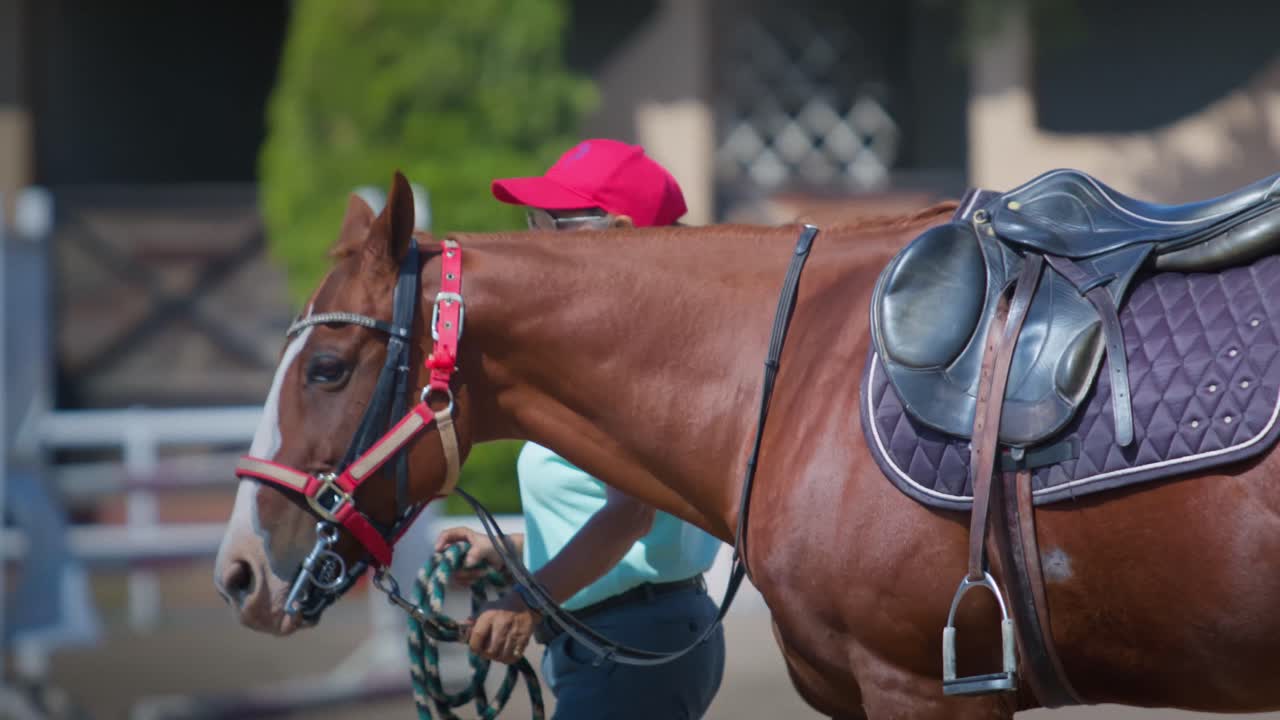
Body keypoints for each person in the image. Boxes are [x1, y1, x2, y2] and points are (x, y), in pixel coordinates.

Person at [434, 139, 726, 719]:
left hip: (627, 645)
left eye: (551, 223)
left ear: (616, 233)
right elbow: (638, 524)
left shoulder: (635, 361)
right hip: (636, 633)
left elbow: (629, 515)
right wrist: (512, 551)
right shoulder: (643, 346)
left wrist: (527, 602)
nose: (534, 241)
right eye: (531, 222)